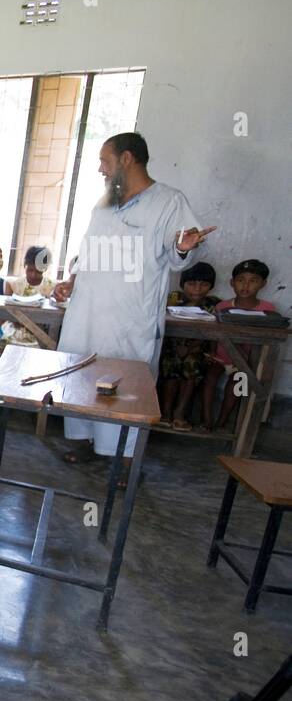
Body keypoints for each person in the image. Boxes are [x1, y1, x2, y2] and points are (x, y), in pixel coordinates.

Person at [52, 132, 214, 481]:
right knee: (78, 372)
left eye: (104, 161)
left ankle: (124, 459)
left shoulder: (169, 202)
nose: (100, 169)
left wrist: (185, 247)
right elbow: (88, 249)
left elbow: (178, 258)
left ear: (127, 159)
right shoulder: (105, 203)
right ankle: (82, 439)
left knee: (127, 383)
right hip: (87, 310)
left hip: (131, 315)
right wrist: (72, 281)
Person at [204, 259, 275, 430]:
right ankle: (205, 420)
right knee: (209, 379)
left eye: (253, 281)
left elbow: (269, 340)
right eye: (241, 280)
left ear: (263, 284)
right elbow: (214, 334)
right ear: (232, 283)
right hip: (221, 358)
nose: (246, 286)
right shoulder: (222, 306)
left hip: (246, 363)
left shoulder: (267, 310)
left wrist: (252, 364)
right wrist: (212, 354)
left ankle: (222, 422)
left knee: (239, 386)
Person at [159, 262, 220, 430]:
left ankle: (180, 413)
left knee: (191, 363)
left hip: (197, 349)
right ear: (182, 284)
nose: (197, 289)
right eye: (192, 284)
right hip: (172, 346)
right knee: (170, 363)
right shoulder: (173, 299)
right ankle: (165, 413)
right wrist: (177, 346)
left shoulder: (213, 304)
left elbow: (213, 331)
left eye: (204, 285)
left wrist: (192, 347)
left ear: (211, 286)